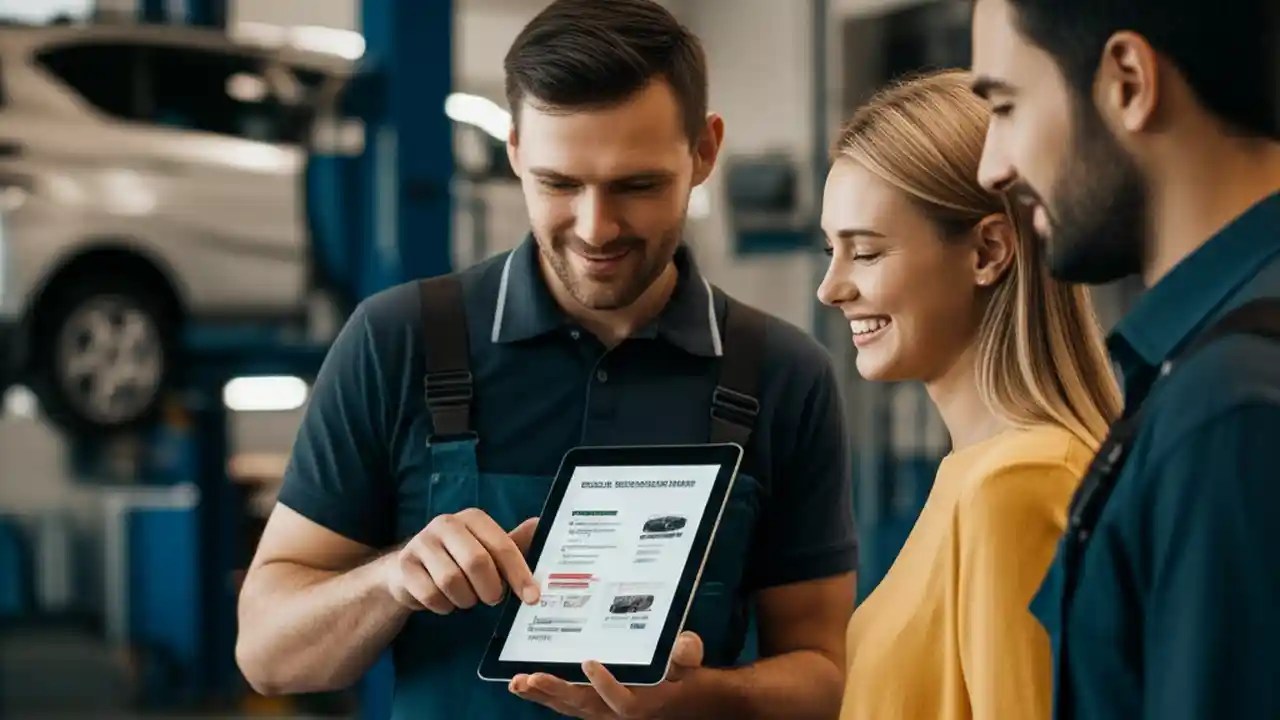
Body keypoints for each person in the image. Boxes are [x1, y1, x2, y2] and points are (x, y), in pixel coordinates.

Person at [234, 1, 859, 718]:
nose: (596, 228)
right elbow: (267, 654)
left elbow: (825, 675)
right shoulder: (399, 341)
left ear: (704, 151)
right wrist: (392, 580)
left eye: (637, 185)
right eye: (560, 184)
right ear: (516, 153)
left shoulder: (782, 375)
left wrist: (708, 698)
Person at [969, 0, 1280, 718]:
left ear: (1129, 83)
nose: (992, 167)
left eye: (1007, 107)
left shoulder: (1227, 411)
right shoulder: (1201, 378)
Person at [816, 69, 1123, 720]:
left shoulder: (1015, 483)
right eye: (829, 252)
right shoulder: (979, 474)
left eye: (864, 253)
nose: (831, 287)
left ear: (988, 250)